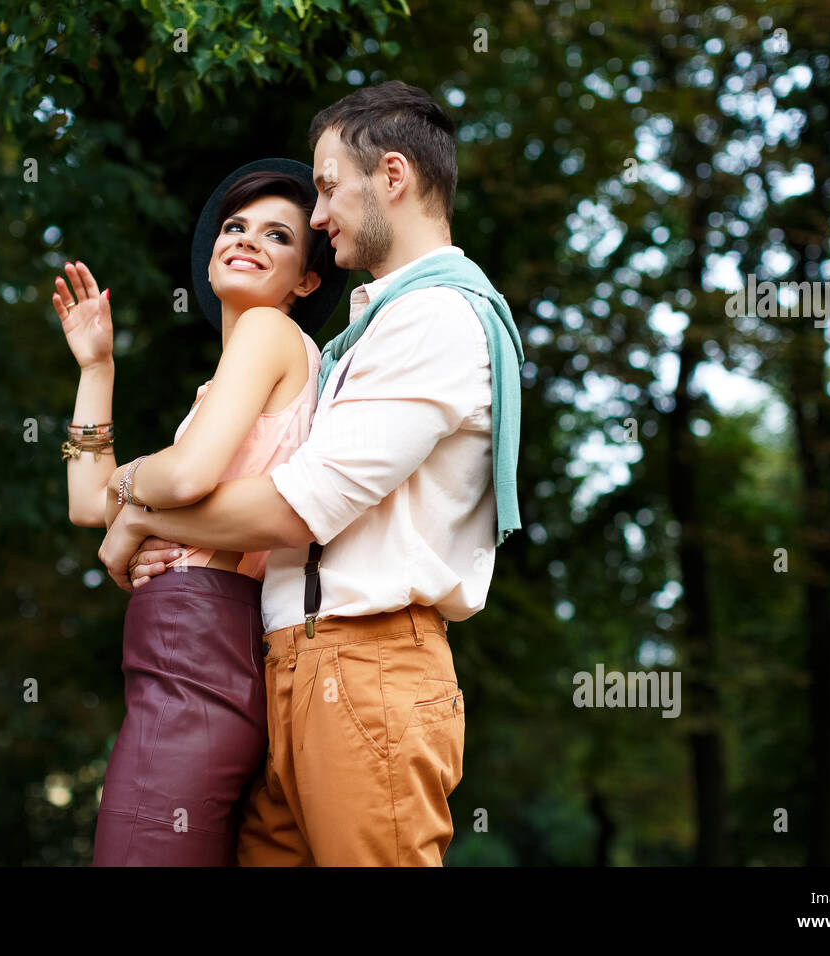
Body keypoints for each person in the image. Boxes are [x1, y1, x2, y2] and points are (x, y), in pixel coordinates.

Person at [98, 80, 526, 865]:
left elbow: (300, 508)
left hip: (367, 665)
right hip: (290, 662)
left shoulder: (437, 317)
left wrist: (141, 513)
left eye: (327, 188)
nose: (319, 214)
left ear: (391, 177)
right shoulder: (373, 329)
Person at [59, 159, 348, 865]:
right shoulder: (229, 383)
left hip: (200, 648)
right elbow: (87, 503)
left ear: (306, 280)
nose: (246, 239)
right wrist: (97, 370)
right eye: (235, 225)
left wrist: (138, 505)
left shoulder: (267, 333)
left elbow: (180, 478)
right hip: (200, 653)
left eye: (278, 236)